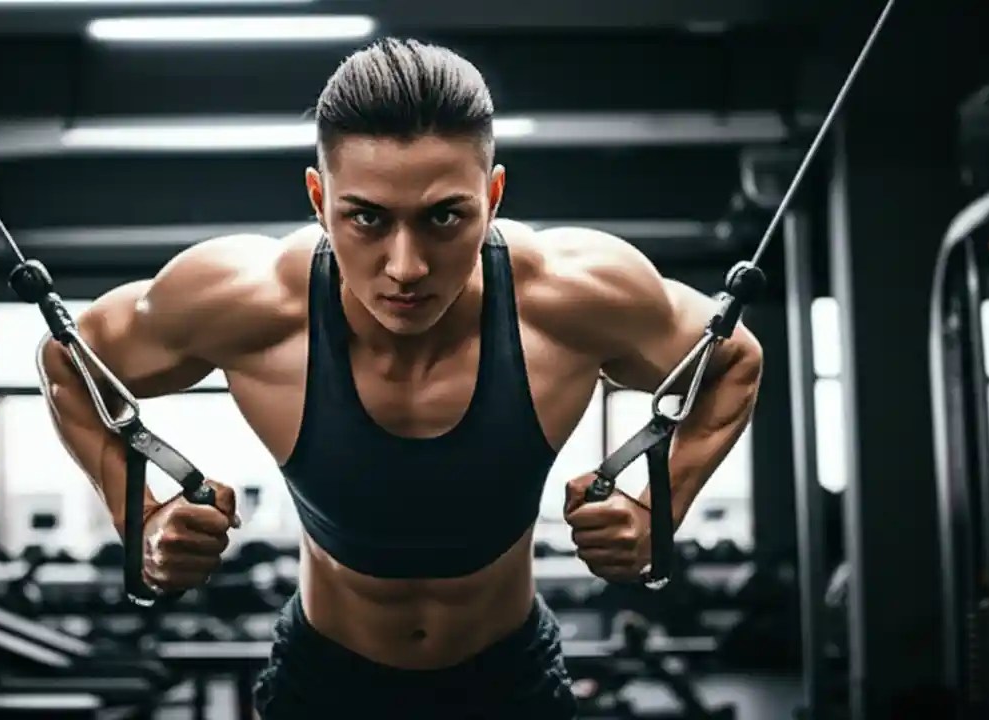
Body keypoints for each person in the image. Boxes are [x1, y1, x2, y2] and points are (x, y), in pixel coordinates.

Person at [39, 37, 763, 720]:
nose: (407, 266)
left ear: (495, 196)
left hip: (508, 682)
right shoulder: (249, 302)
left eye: (446, 217)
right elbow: (69, 358)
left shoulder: (573, 297)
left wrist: (656, 511)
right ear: (320, 200)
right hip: (325, 684)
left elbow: (733, 358)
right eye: (367, 219)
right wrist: (141, 517)